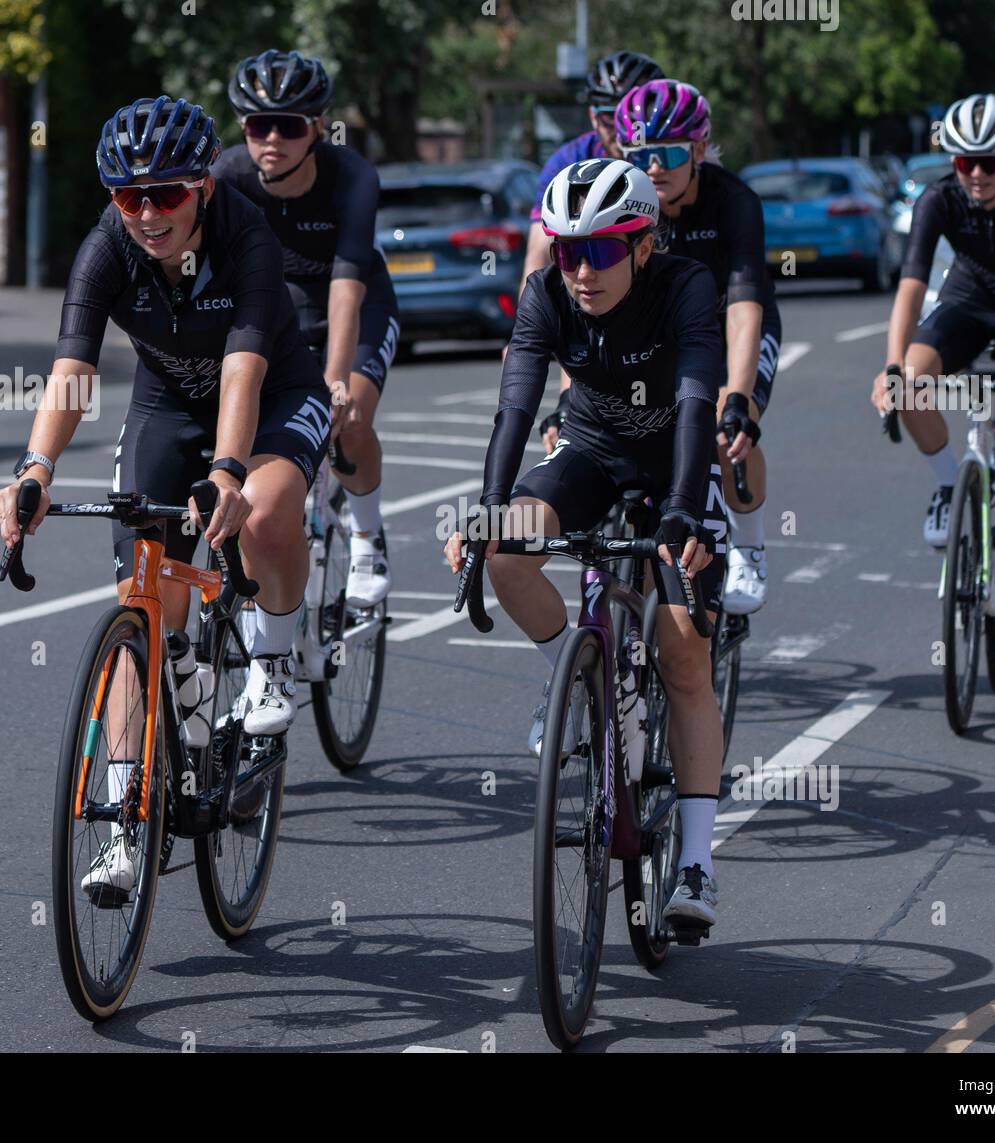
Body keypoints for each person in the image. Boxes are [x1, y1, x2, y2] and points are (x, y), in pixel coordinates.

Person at [0, 96, 332, 898]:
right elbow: (73, 372)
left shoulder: (245, 233)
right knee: (141, 604)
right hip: (166, 404)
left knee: (268, 505)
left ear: (204, 188)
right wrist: (36, 468)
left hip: (274, 393)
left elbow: (245, 370)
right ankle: (118, 822)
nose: (147, 214)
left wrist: (227, 470)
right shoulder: (108, 245)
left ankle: (274, 659)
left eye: (167, 195)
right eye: (128, 197)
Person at [444, 158, 729, 931]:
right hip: (594, 453)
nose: (581, 270)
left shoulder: (686, 287)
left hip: (678, 462)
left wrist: (682, 513)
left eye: (601, 251)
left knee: (681, 657)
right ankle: (580, 677)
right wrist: (490, 510)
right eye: (567, 250)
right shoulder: (545, 293)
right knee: (508, 548)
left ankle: (698, 861)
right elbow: (516, 404)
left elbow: (700, 402)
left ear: (643, 246)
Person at [870, 93, 995, 670]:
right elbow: (910, 286)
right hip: (966, 304)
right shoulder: (940, 199)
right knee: (910, 382)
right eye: (964, 163)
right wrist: (890, 365)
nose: (977, 175)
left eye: (991, 163)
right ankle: (947, 485)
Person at [214, 49, 399, 608]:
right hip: (276, 309)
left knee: (351, 416)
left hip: (357, 302)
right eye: (258, 125)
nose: (272, 139)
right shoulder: (226, 175)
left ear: (317, 127)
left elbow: (347, 282)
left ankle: (369, 532)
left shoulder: (352, 176)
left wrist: (336, 378)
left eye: (289, 126)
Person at [612, 78, 781, 614]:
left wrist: (738, 396)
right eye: (641, 155)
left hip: (732, 321)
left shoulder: (734, 202)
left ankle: (749, 545)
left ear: (700, 150)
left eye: (669, 154)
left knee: (727, 425)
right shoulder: (625, 202)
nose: (654, 167)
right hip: (664, 332)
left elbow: (745, 302)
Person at [516, 51, 665, 296]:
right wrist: (528, 327)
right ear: (593, 116)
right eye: (610, 116)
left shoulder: (669, 162)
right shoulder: (567, 162)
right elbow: (539, 257)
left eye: (634, 117)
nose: (622, 130)